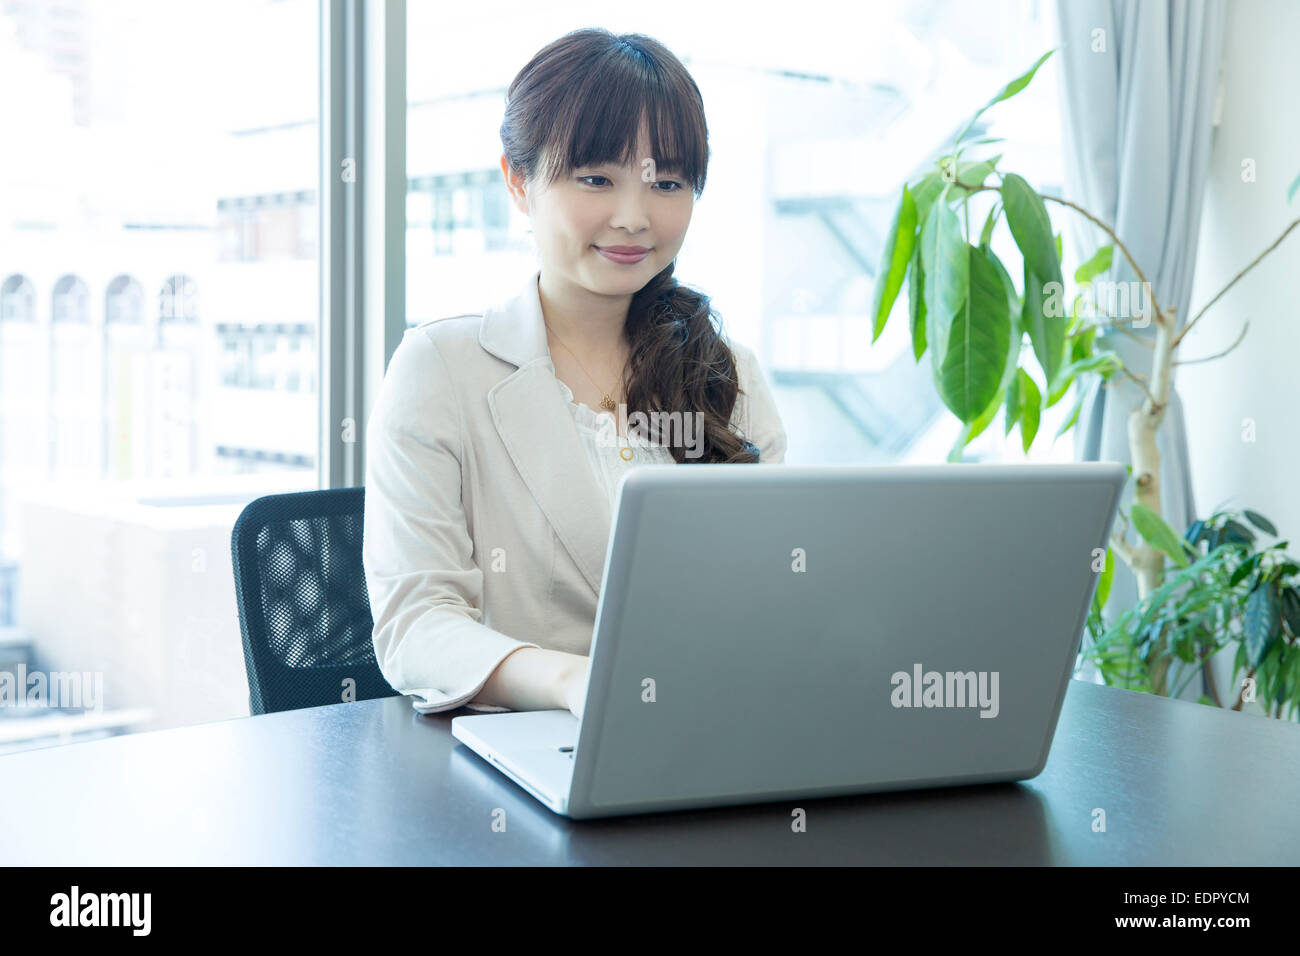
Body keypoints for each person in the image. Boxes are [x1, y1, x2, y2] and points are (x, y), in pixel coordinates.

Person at [362, 28, 787, 720]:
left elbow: (775, 595)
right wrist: (570, 683)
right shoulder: (441, 369)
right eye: (596, 178)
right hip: (525, 757)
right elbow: (417, 625)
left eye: (668, 183)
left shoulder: (727, 373)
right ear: (518, 181)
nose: (633, 217)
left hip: (710, 736)